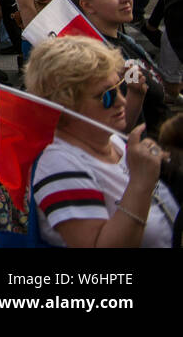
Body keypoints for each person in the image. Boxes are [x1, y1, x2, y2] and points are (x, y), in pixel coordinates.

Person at [27, 36, 178, 247]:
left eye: (119, 87)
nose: (121, 100)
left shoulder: (111, 140)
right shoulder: (60, 166)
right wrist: (141, 182)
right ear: (66, 105)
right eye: (107, 96)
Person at [67, 0, 168, 133]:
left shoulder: (123, 40)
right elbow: (110, 133)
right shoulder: (96, 60)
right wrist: (136, 95)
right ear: (87, 5)